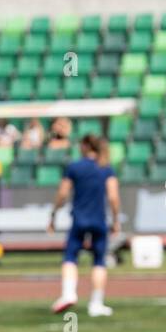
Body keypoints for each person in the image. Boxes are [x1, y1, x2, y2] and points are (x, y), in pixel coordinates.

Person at [47, 134, 120, 317]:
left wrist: (53, 214)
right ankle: (96, 303)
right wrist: (116, 220)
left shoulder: (74, 167)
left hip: (79, 220)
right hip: (99, 220)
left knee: (70, 257)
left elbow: (62, 194)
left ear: (86, 146)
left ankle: (68, 293)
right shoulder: (106, 168)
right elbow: (113, 197)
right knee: (98, 261)